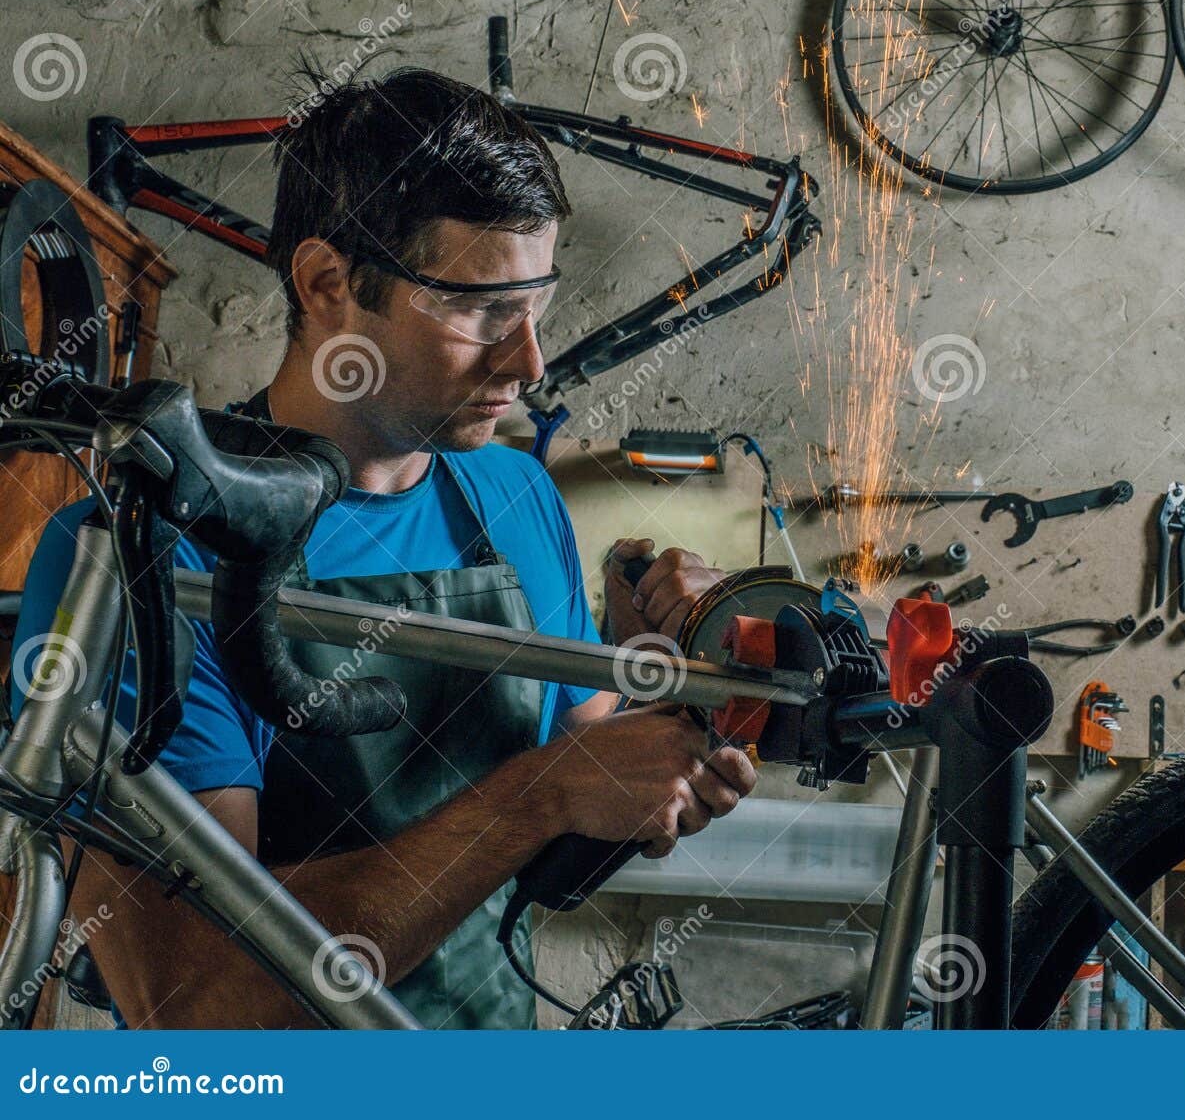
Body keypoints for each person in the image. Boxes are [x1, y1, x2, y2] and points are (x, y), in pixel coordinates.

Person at [7, 67, 755, 1029]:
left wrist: (687, 711)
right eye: (484, 312)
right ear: (326, 283)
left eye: (538, 308)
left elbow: (579, 796)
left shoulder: (517, 494)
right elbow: (197, 1003)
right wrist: (541, 793)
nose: (529, 361)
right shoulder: (134, 554)